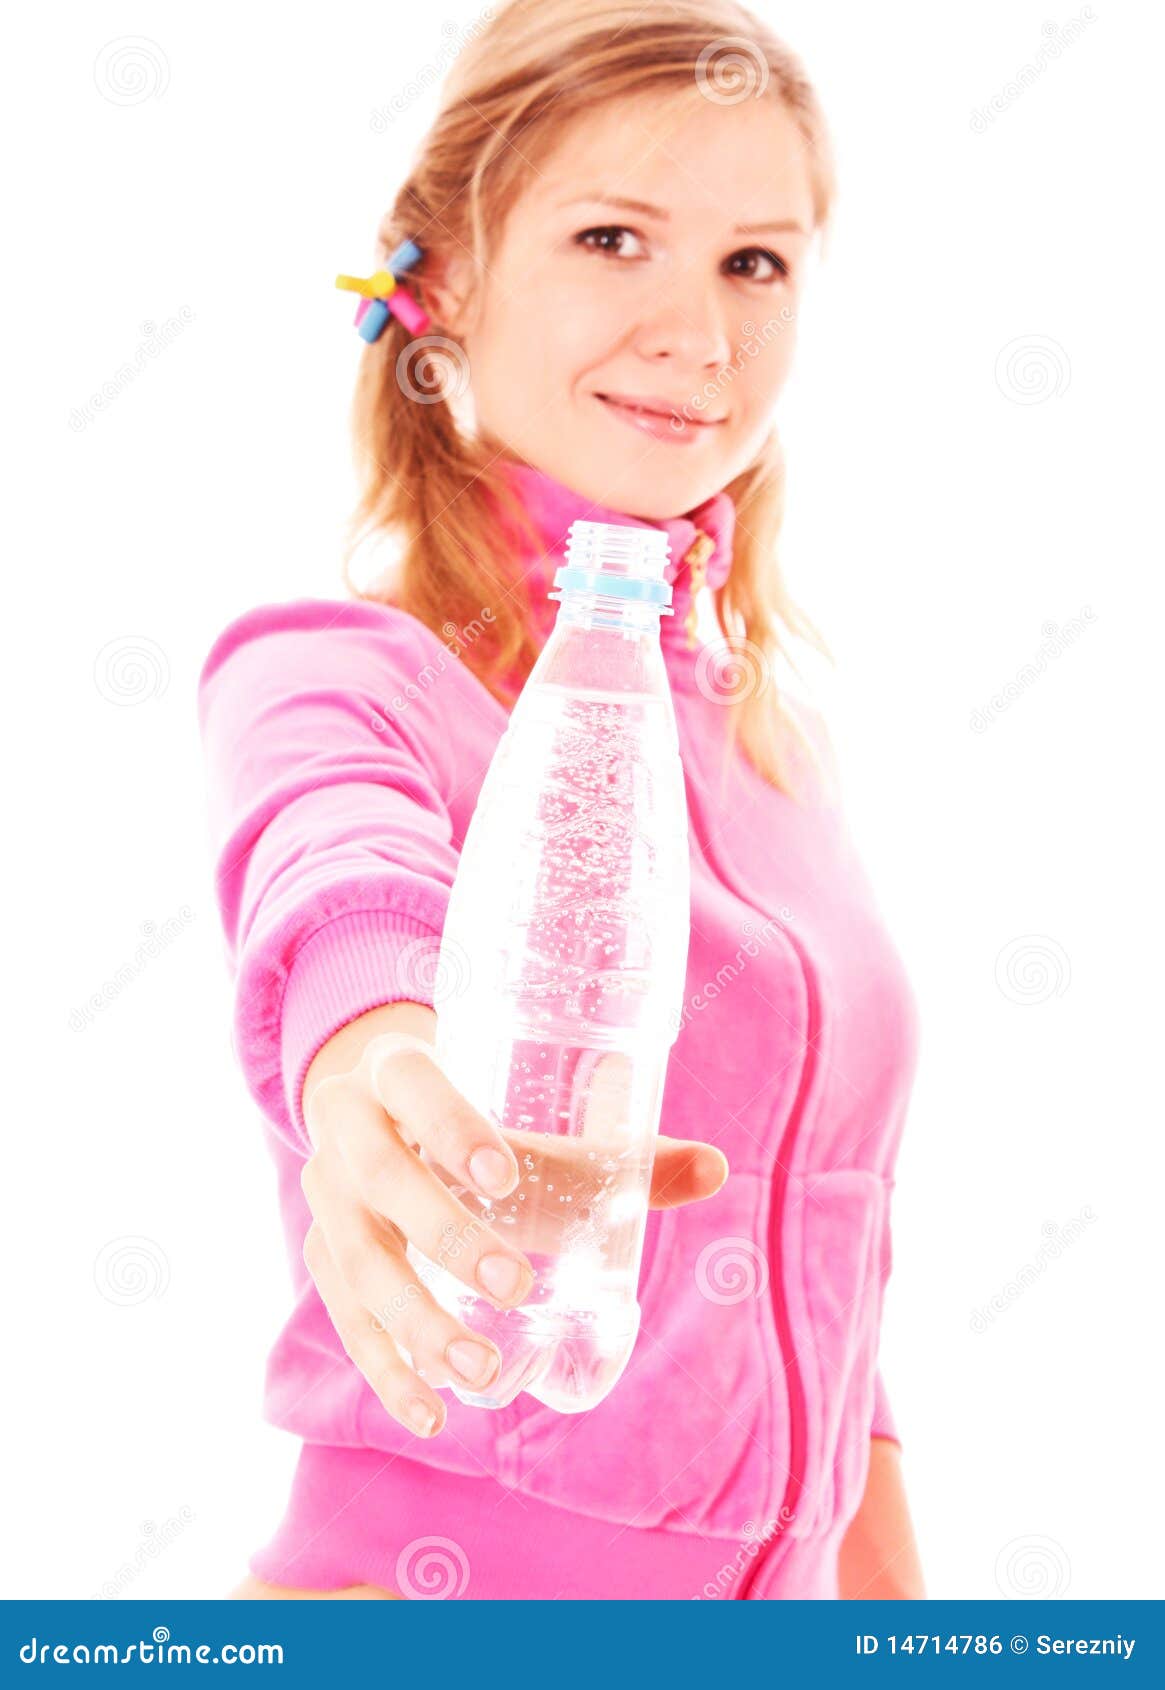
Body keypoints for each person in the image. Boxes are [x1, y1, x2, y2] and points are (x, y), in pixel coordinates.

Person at [200, 0, 925, 1600]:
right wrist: (373, 1071)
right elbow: (336, 881)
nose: (699, 334)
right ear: (448, 278)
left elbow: (833, 1294)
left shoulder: (778, 744)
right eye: (612, 238)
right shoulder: (340, 672)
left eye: (753, 262)